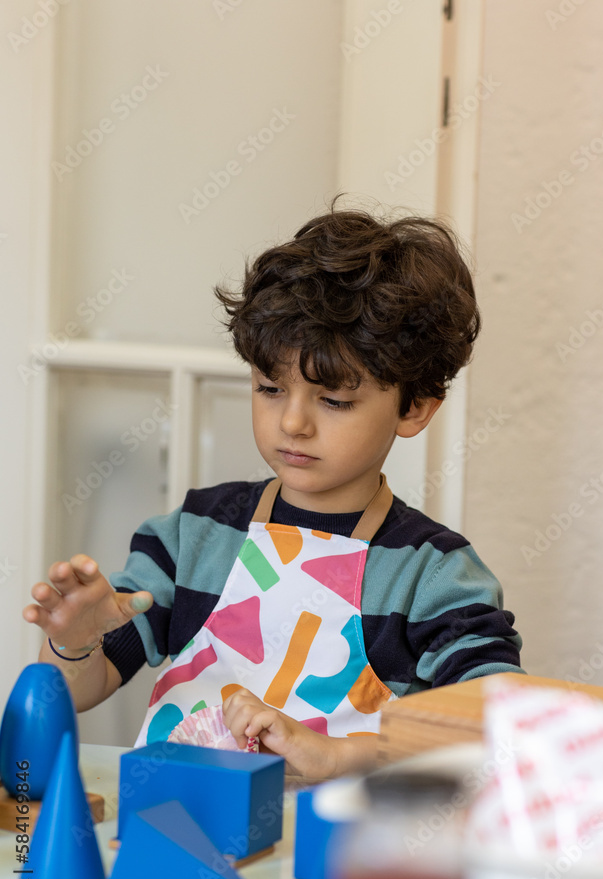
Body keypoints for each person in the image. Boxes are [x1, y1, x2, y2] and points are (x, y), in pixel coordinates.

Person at [23, 200, 522, 780]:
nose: (293, 423)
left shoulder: (431, 575)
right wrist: (76, 643)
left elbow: (496, 724)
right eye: (270, 388)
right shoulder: (197, 534)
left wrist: (338, 757)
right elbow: (81, 688)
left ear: (413, 407)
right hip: (172, 835)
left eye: (334, 400)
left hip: (327, 859)